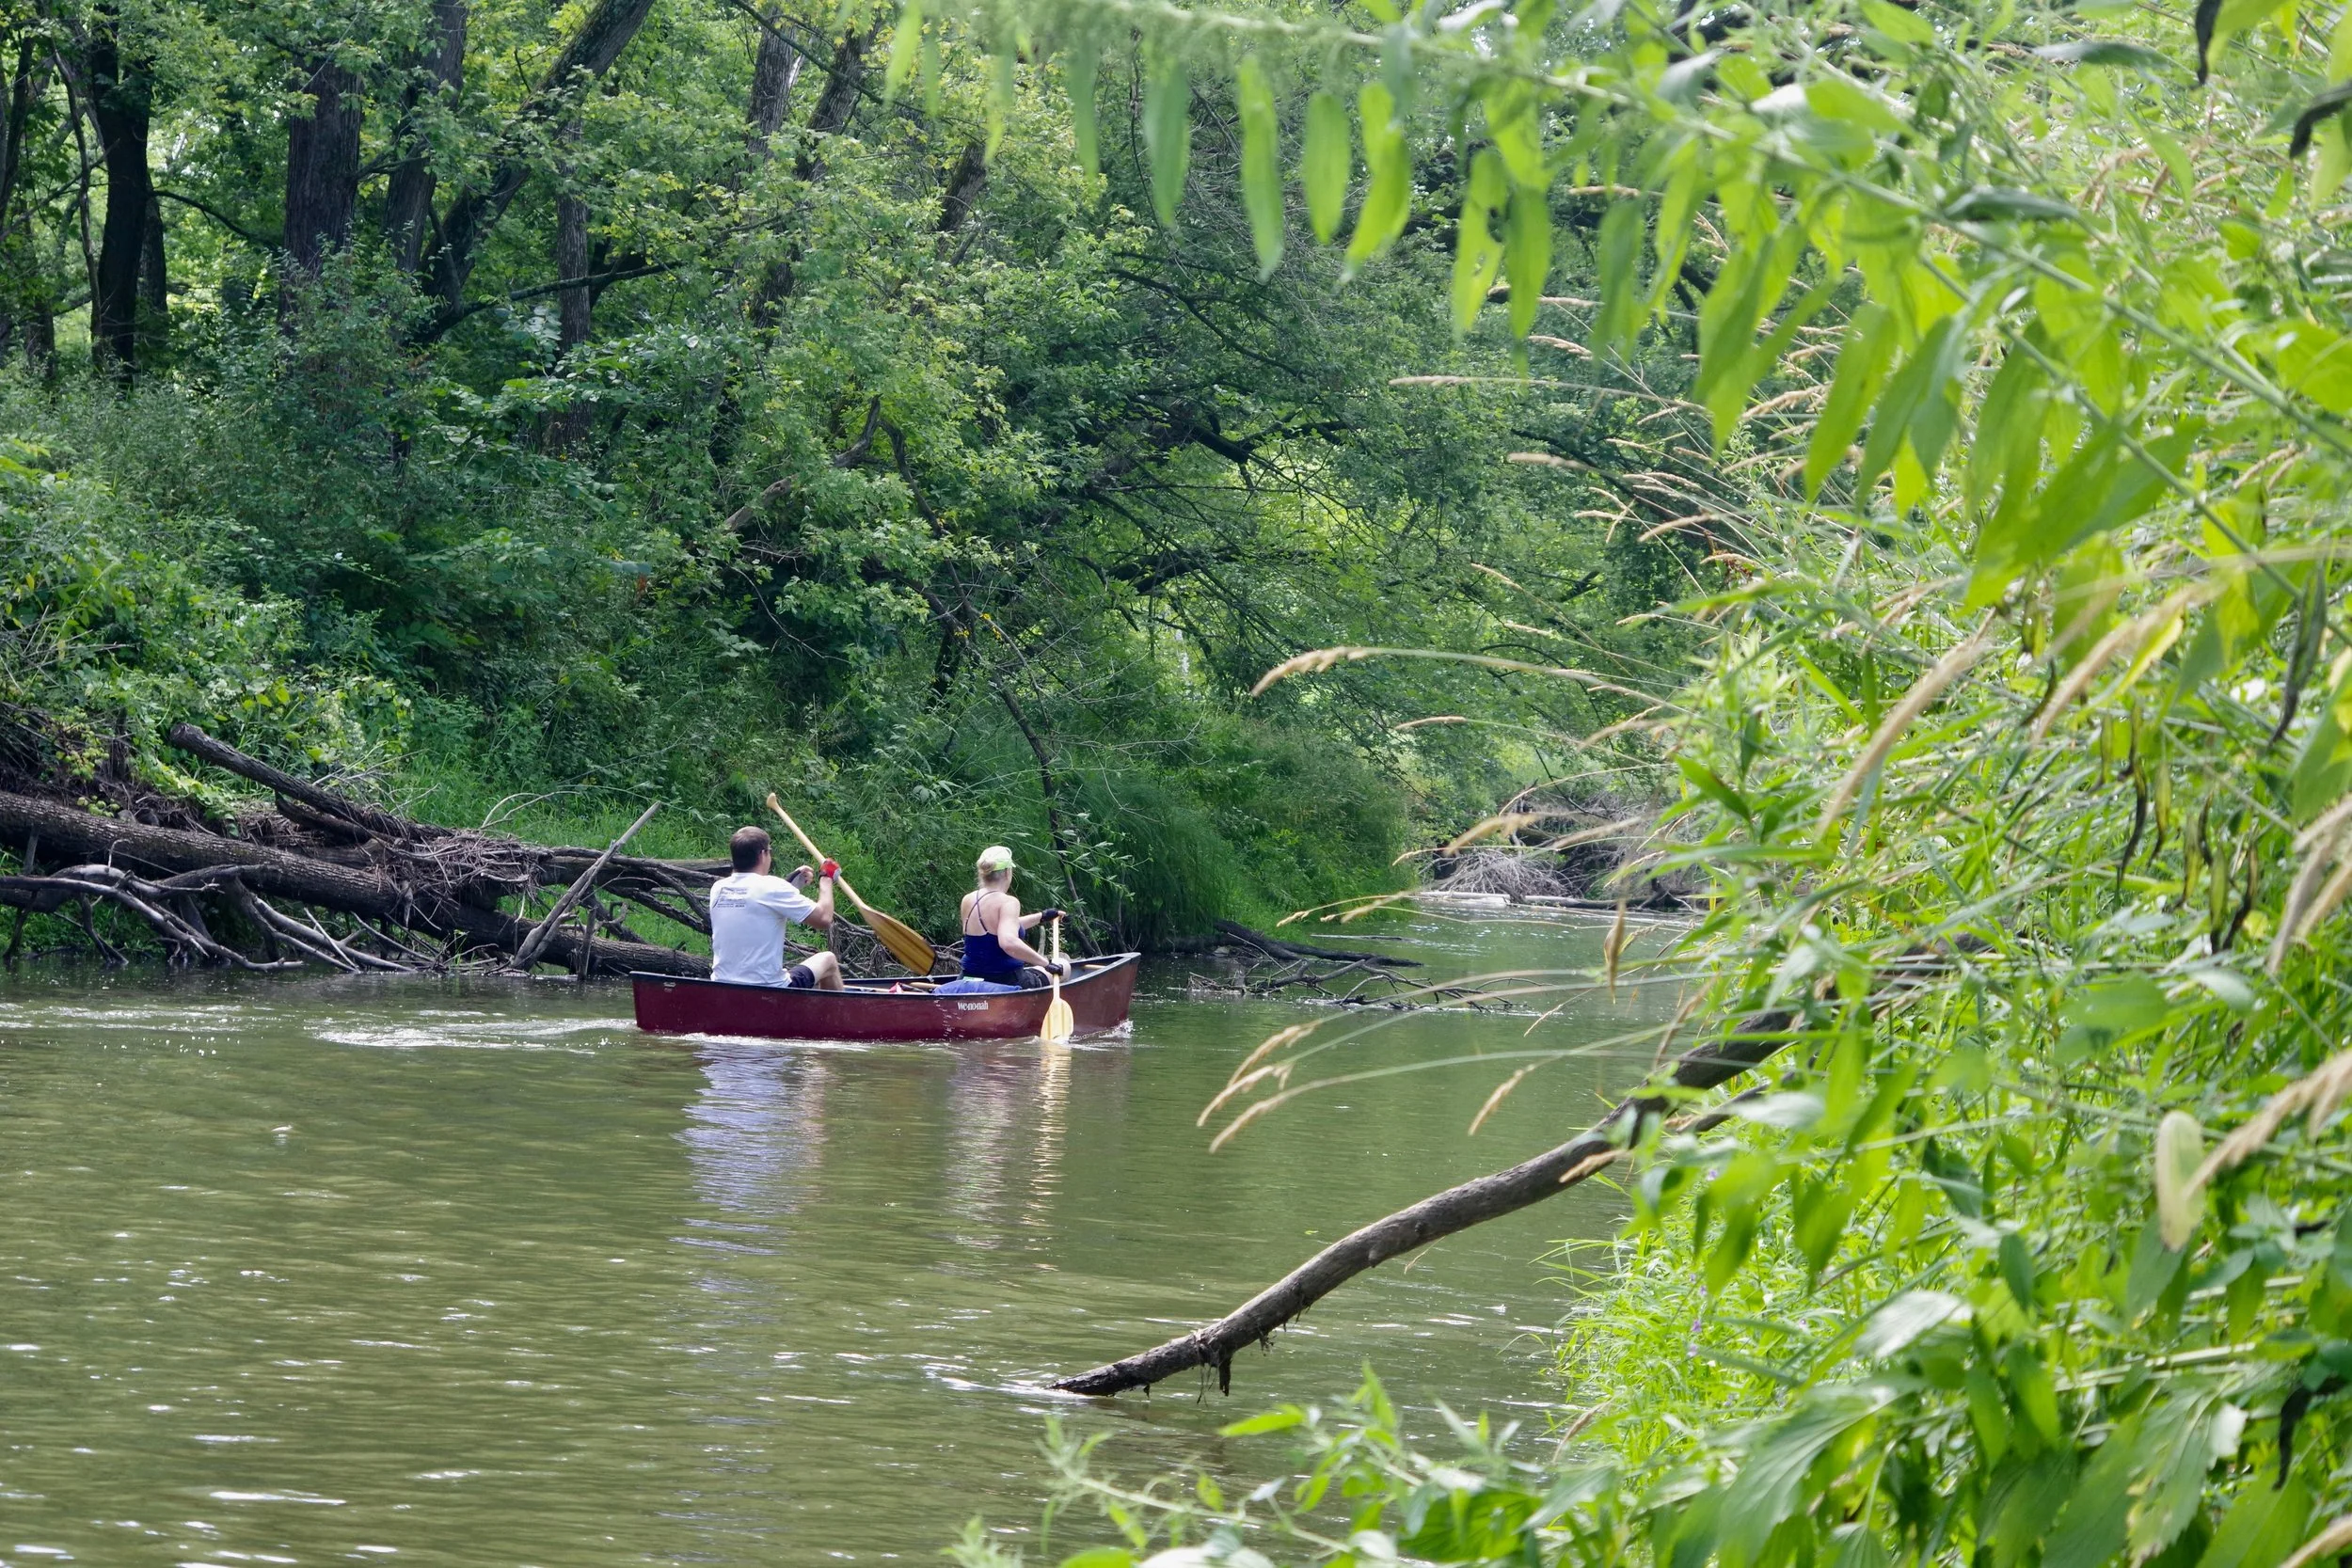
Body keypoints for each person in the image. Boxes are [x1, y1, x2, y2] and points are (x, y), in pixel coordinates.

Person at [707, 826, 846, 990]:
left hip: (722, 986)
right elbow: (823, 919)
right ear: (763, 854)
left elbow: (757, 901)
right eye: (769, 851)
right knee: (828, 960)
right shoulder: (773, 887)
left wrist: (792, 882)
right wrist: (826, 878)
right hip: (770, 988)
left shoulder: (718, 888)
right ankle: (833, 1015)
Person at [939, 846, 1071, 993]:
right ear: (1008, 872)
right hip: (1006, 981)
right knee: (1064, 966)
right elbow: (1008, 942)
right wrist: (1046, 963)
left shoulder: (968, 900)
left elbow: (1000, 927)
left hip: (968, 978)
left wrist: (1042, 916)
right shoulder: (1008, 902)